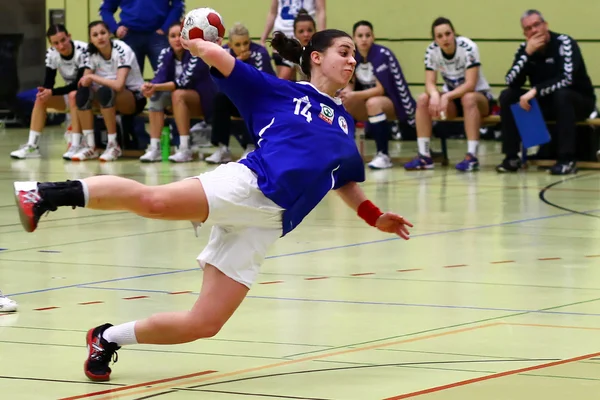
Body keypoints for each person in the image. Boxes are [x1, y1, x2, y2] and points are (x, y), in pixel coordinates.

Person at [13, 28, 413, 382]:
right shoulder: (282, 91)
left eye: (353, 54)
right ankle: (45, 194)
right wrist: (200, 42)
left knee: (204, 324)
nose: (351, 59)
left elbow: (341, 180)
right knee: (154, 201)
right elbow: (225, 62)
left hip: (268, 224)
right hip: (248, 185)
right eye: (343, 51)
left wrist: (374, 217)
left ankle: (105, 337)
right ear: (316, 57)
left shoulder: (345, 123)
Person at [496, 9, 596, 175]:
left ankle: (567, 159)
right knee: (508, 95)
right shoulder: (525, 49)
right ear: (524, 33)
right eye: (528, 28)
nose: (534, 30)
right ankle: (511, 157)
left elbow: (567, 79)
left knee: (562, 95)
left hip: (578, 101)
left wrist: (534, 91)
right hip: (547, 102)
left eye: (537, 25)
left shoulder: (565, 43)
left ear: (546, 25)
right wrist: (527, 54)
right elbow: (511, 81)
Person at [404, 17, 493, 172]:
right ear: (435, 39)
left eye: (448, 34)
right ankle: (424, 156)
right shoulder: (431, 51)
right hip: (452, 99)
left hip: (479, 98)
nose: (445, 39)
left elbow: (470, 84)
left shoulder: (468, 47)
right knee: (423, 99)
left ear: (454, 33)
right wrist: (435, 95)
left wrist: (445, 96)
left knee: (468, 98)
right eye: (439, 36)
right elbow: (429, 82)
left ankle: (472, 156)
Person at [341, 20, 416, 169]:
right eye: (360, 36)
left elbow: (379, 90)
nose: (364, 39)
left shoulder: (381, 55)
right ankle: (346, 154)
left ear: (373, 37)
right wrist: (346, 94)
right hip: (368, 101)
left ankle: (383, 155)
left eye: (367, 35)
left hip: (395, 102)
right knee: (343, 103)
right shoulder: (352, 57)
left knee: (373, 102)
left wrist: (354, 95)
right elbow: (349, 84)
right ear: (353, 38)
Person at [139, 21, 216, 163]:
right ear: (167, 39)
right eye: (172, 36)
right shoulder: (166, 54)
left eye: (180, 35)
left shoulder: (196, 54)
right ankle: (155, 148)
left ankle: (185, 148)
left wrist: (156, 87)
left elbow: (183, 82)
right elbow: (159, 77)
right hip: (178, 102)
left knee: (178, 94)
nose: (176, 39)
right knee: (157, 96)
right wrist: (149, 87)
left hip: (204, 101)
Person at [70, 21, 147, 162]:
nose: (100, 37)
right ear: (90, 39)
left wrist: (93, 77)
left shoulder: (122, 50)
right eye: (95, 35)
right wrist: (88, 81)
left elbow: (118, 85)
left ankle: (113, 145)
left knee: (106, 91)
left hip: (133, 97)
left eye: (103, 33)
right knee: (81, 94)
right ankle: (90, 145)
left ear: (110, 34)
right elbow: (84, 82)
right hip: (106, 96)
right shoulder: (91, 53)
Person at [10, 25, 87, 160]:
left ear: (69, 36)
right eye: (56, 43)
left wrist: (52, 91)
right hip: (71, 94)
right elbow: (49, 83)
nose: (61, 46)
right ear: (51, 43)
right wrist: (45, 91)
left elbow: (78, 84)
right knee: (41, 98)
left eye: (63, 40)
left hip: (88, 94)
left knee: (73, 94)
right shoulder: (52, 53)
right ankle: (32, 145)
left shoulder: (83, 50)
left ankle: (76, 145)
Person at [205, 22, 276, 164]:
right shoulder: (222, 54)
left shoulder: (260, 53)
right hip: (235, 98)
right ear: (230, 45)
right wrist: (235, 63)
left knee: (250, 96)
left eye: (246, 43)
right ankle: (222, 147)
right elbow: (217, 82)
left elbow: (260, 84)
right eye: (238, 45)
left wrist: (238, 68)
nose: (243, 48)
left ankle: (251, 146)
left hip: (259, 99)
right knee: (220, 98)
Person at [99, 0, 184, 74]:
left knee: (166, 77)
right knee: (130, 82)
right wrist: (115, 29)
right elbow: (105, 9)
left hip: (159, 35)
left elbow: (178, 5)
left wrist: (166, 28)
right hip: (130, 35)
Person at [260, 0, 326, 79]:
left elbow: (321, 10)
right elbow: (273, 12)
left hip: (305, 31)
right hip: (283, 34)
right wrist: (263, 39)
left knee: (308, 76)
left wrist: (322, 38)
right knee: (285, 78)